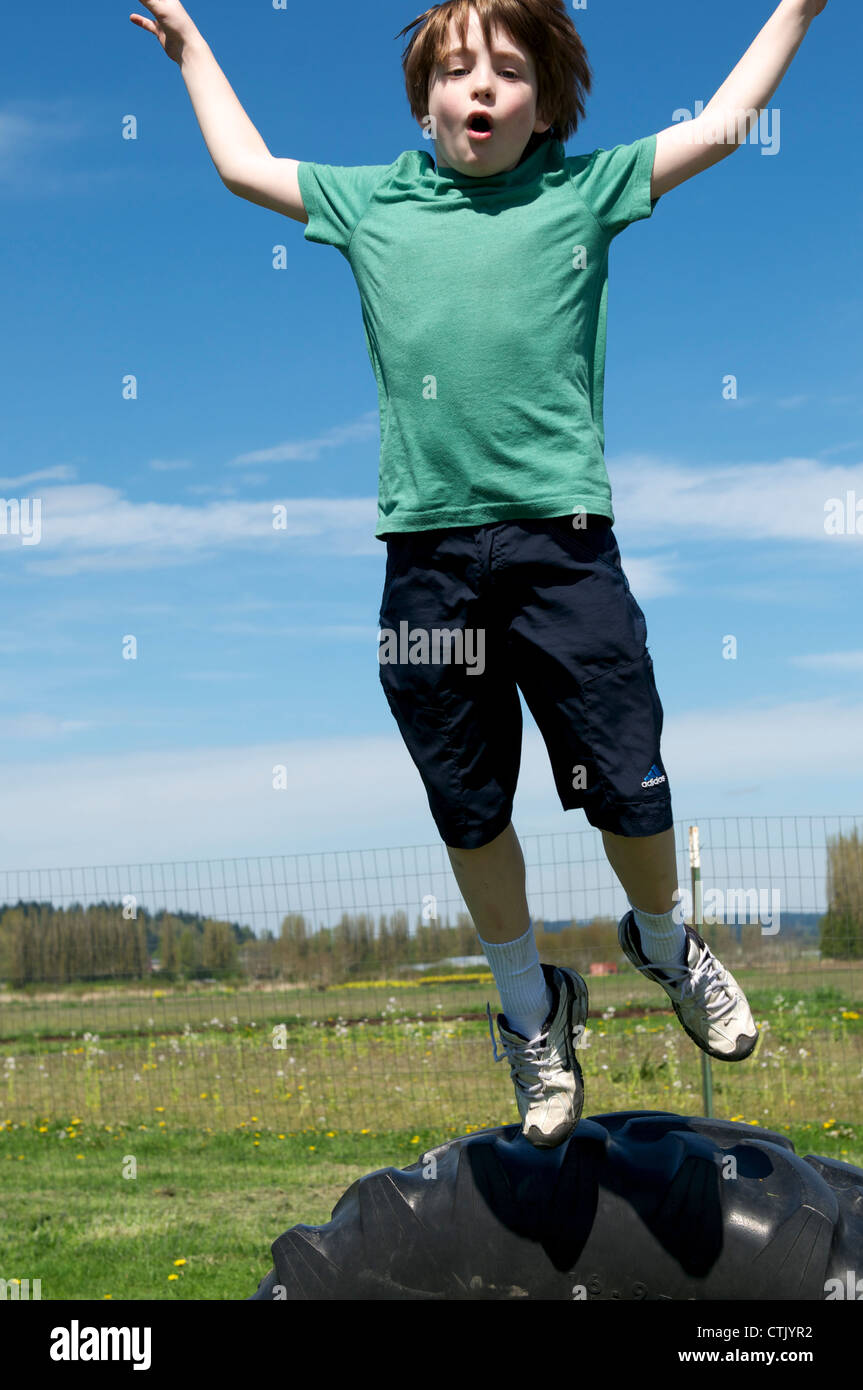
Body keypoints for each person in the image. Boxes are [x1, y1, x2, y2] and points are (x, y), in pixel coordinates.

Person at [130, 0, 829, 1148]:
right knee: (468, 814)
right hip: (427, 562)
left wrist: (795, 8)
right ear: (425, 105)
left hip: (563, 550)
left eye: (507, 71)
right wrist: (195, 50)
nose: (481, 87)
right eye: (456, 71)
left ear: (543, 106)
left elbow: (715, 129)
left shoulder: (583, 191)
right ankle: (528, 1008)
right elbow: (244, 166)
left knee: (630, 784)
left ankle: (659, 938)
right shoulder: (373, 203)